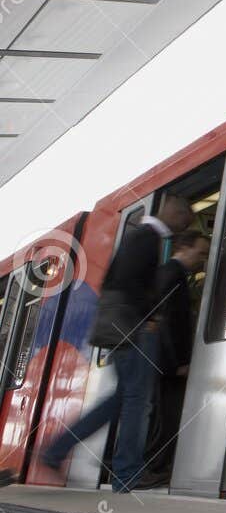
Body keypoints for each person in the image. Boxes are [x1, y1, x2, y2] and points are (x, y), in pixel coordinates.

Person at [38, 194, 195, 492]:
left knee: (119, 400)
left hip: (122, 329)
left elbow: (113, 280)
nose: (183, 225)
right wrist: (149, 316)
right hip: (135, 330)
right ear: (175, 214)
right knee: (138, 402)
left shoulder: (139, 236)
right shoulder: (149, 239)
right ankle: (127, 474)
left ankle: (56, 450)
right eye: (184, 219)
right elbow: (128, 282)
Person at [139, 230, 209, 487]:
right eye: (200, 253)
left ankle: (152, 467)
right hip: (167, 362)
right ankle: (152, 469)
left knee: (160, 414)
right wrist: (178, 362)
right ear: (183, 247)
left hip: (159, 359)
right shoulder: (174, 275)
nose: (202, 259)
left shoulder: (167, 274)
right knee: (166, 417)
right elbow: (169, 322)